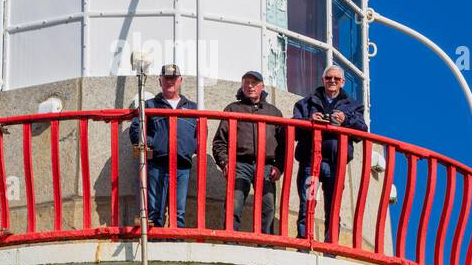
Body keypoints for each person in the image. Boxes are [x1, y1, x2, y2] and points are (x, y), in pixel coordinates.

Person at [292, 65, 367, 240]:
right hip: (311, 164)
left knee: (333, 208)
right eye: (328, 78)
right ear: (323, 80)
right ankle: (304, 243)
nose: (332, 81)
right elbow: (294, 129)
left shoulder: (353, 106)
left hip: (336, 166)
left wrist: (345, 120)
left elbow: (362, 131)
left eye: (336, 79)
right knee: (307, 203)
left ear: (342, 82)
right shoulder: (307, 102)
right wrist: (309, 121)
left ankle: (330, 248)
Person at [211, 70, 286, 234]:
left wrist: (279, 166)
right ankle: (230, 240)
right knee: (234, 203)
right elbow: (219, 142)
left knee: (268, 206)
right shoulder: (233, 108)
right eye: (246, 83)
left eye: (254, 83)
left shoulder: (274, 112)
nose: (250, 86)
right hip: (239, 163)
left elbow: (283, 145)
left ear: (262, 86)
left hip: (266, 166)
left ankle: (266, 244)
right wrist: (225, 162)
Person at [129, 64, 199, 228]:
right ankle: (155, 246)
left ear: (180, 80)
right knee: (155, 211)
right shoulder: (150, 104)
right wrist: (151, 144)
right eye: (166, 78)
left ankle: (177, 246)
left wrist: (191, 148)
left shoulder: (192, 107)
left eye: (173, 78)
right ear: (160, 81)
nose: (170, 82)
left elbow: (201, 131)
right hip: (157, 164)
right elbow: (135, 128)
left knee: (179, 213)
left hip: (182, 164)